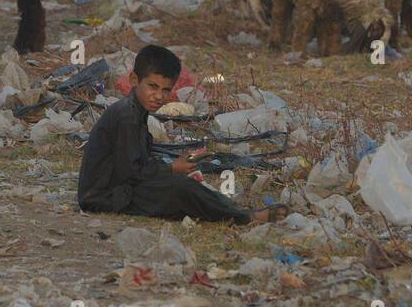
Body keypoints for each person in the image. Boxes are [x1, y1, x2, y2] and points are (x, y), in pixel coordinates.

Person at [77, 44, 286, 224]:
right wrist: (171, 168)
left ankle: (233, 209)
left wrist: (174, 165)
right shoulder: (127, 116)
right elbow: (131, 172)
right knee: (180, 188)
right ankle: (245, 218)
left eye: (166, 90)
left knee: (185, 186)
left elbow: (137, 163)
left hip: (118, 188)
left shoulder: (135, 111)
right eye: (152, 86)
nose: (159, 96)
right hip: (105, 197)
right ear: (133, 80)